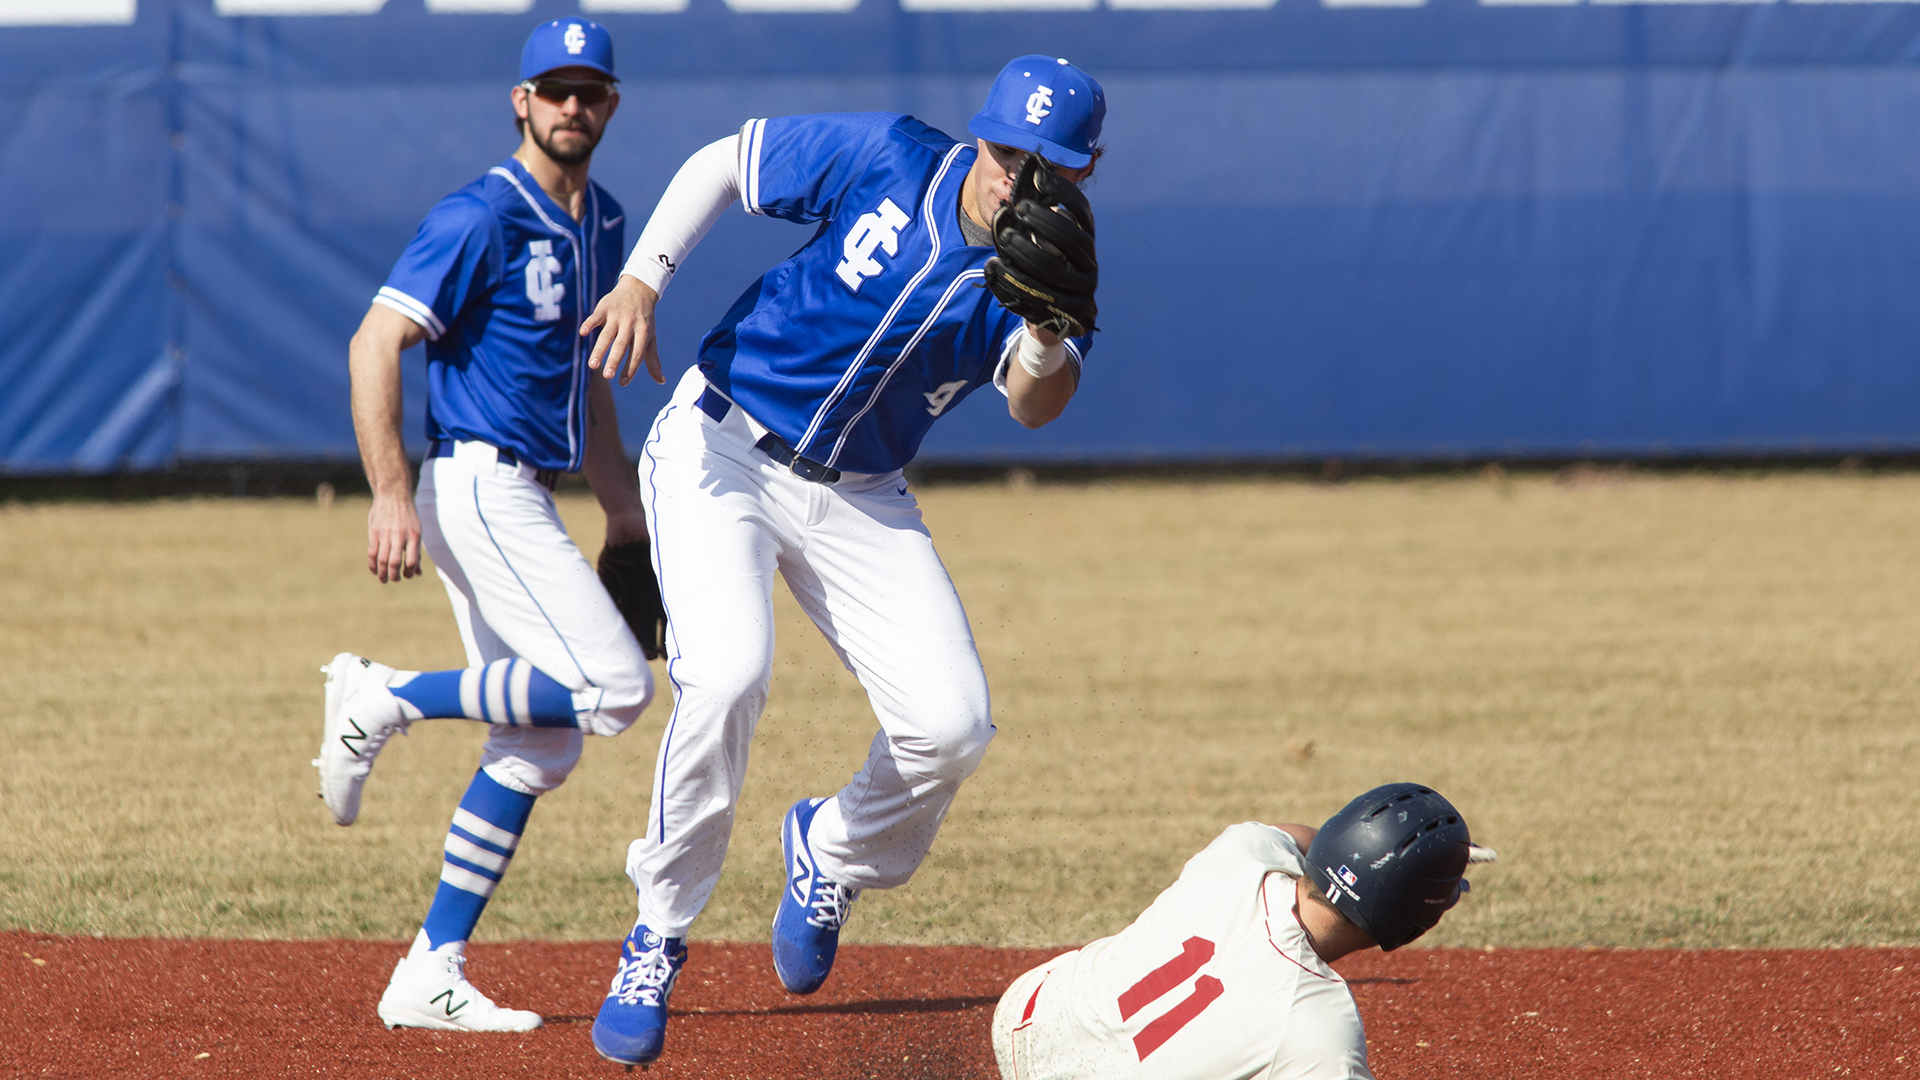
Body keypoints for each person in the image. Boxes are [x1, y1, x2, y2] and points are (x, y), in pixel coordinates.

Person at [577, 56, 1108, 1066]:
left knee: (951, 725)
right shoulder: (891, 155)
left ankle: (829, 851)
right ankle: (657, 933)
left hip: (859, 490)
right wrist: (645, 275)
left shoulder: (1052, 267)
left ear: (1084, 175)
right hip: (721, 446)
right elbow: (724, 165)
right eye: (1005, 152)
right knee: (727, 676)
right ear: (979, 136)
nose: (1016, 179)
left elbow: (1039, 403)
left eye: (1047, 166)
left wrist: (1044, 327)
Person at [314, 18, 655, 1033]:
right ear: (520, 101)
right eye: (552, 89)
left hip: (529, 488)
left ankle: (429, 968)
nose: (570, 106)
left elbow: (591, 386)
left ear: (612, 104)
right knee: (616, 686)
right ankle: (383, 697)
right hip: (474, 484)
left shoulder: (606, 225)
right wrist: (387, 490)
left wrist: (626, 508)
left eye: (588, 89)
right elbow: (376, 343)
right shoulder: (479, 216)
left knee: (538, 747)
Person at [990, 783, 1498, 1080]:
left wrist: (1383, 853)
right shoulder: (1320, 1029)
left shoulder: (1242, 853)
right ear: (1412, 925)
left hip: (1027, 1015)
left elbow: (1301, 839)